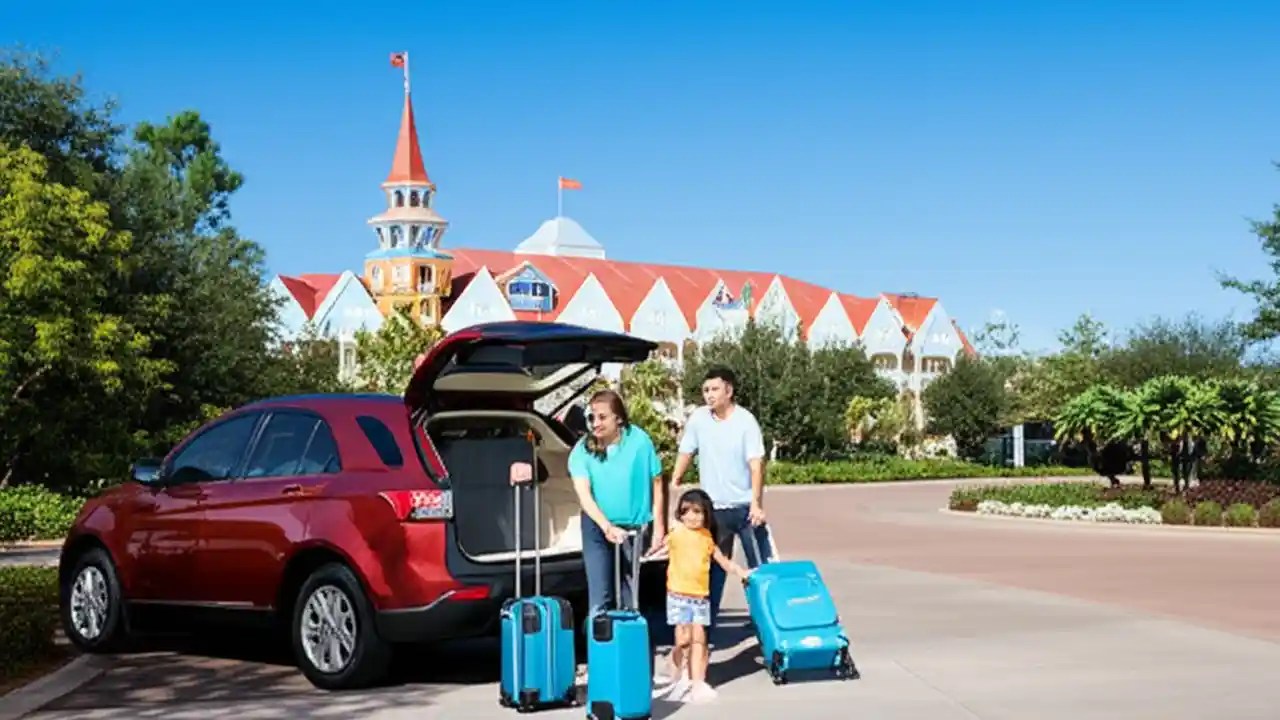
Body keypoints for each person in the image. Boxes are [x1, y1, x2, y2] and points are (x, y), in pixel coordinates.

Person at [670, 366, 771, 632]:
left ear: (729, 390)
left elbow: (756, 464)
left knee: (759, 569)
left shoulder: (745, 421)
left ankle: (766, 620)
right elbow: (686, 450)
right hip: (714, 510)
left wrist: (756, 503)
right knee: (713, 568)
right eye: (705, 390)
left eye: (714, 389)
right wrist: (675, 478)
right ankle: (707, 624)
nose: (709, 395)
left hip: (745, 509)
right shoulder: (699, 419)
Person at [568, 389, 667, 619]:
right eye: (592, 417)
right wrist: (607, 527)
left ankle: (629, 646)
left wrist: (659, 527)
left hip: (633, 525)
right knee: (600, 595)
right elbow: (584, 496)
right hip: (597, 525)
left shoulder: (639, 441)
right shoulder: (582, 450)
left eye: (602, 417)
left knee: (629, 593)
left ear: (618, 418)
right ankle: (600, 644)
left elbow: (657, 482)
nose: (595, 423)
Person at [656, 488, 751, 703]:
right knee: (683, 639)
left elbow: (723, 561)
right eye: (686, 511)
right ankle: (675, 664)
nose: (692, 516)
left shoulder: (707, 538)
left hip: (700, 597)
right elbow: (660, 548)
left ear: (707, 514)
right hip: (678, 595)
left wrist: (741, 572)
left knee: (699, 639)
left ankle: (697, 681)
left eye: (697, 512)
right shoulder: (676, 533)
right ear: (679, 514)